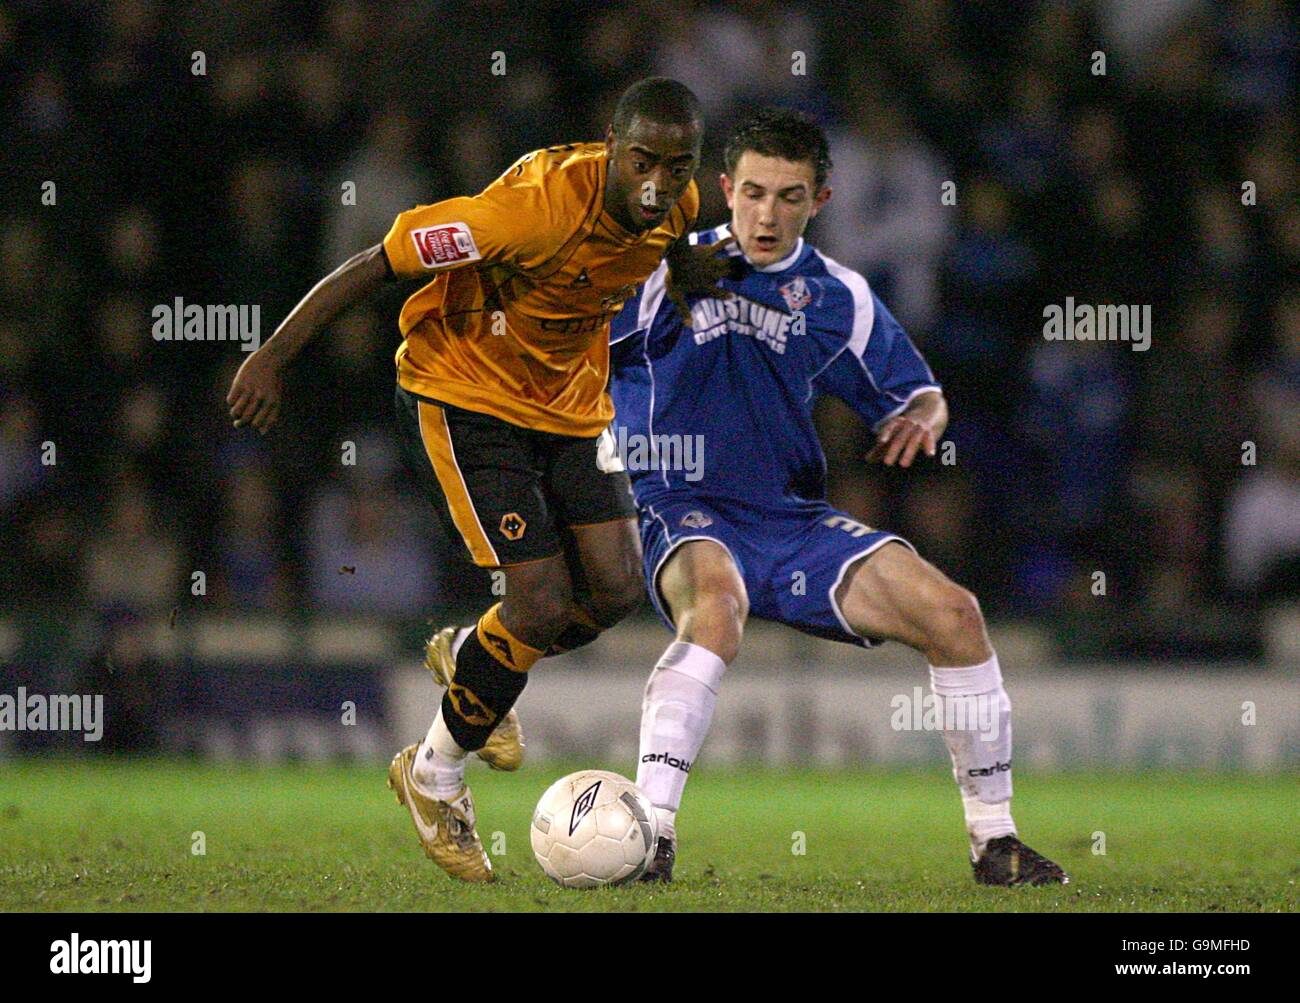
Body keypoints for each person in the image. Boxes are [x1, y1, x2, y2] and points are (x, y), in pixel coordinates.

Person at [227, 78, 733, 883]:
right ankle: (432, 777)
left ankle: (471, 651)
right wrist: (271, 355)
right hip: (462, 395)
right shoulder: (526, 213)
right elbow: (374, 262)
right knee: (537, 600)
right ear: (611, 142)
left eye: (678, 168)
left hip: (568, 408)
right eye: (642, 161)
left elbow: (660, 227)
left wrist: (686, 265)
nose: (657, 183)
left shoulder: (675, 200)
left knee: (612, 588)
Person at [606, 107, 1068, 886]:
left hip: (788, 517)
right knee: (716, 606)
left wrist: (921, 416)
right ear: (724, 189)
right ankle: (652, 831)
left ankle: (996, 841)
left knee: (955, 614)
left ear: (819, 200)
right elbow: (575, 332)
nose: (766, 213)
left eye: (789, 197)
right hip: (676, 498)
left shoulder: (837, 296)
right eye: (752, 192)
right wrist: (655, 285)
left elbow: (920, 392)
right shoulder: (658, 263)